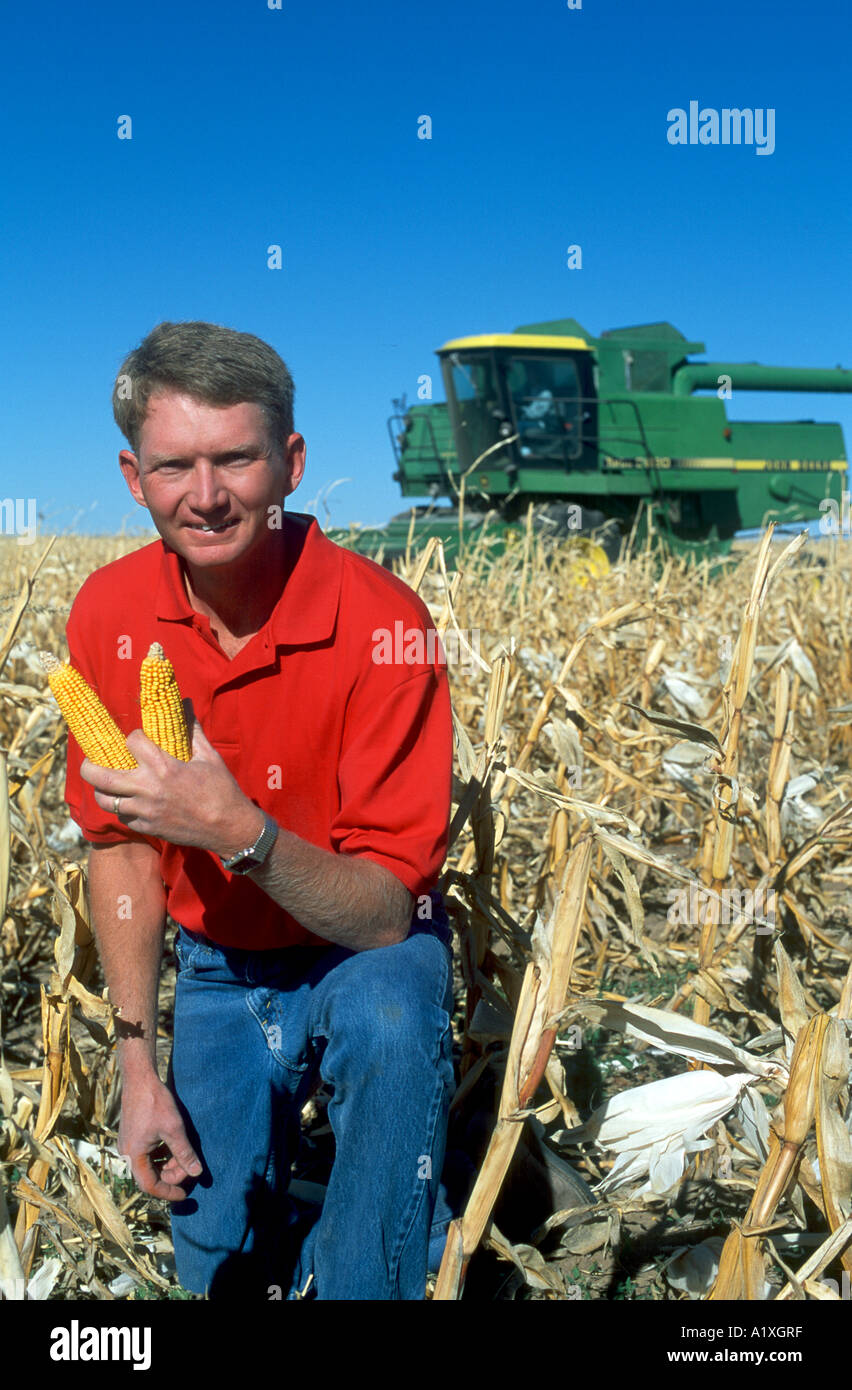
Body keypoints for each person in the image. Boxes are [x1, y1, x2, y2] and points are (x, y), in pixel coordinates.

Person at [62, 320, 457, 1300]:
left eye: (236, 458)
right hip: (217, 966)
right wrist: (136, 1066)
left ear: (290, 462)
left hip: (358, 952)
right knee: (217, 1255)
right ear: (131, 476)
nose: (206, 495)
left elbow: (380, 913)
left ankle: (371, 1269)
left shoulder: (382, 623)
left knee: (394, 1010)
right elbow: (117, 848)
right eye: (174, 466)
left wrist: (236, 827)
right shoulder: (108, 615)